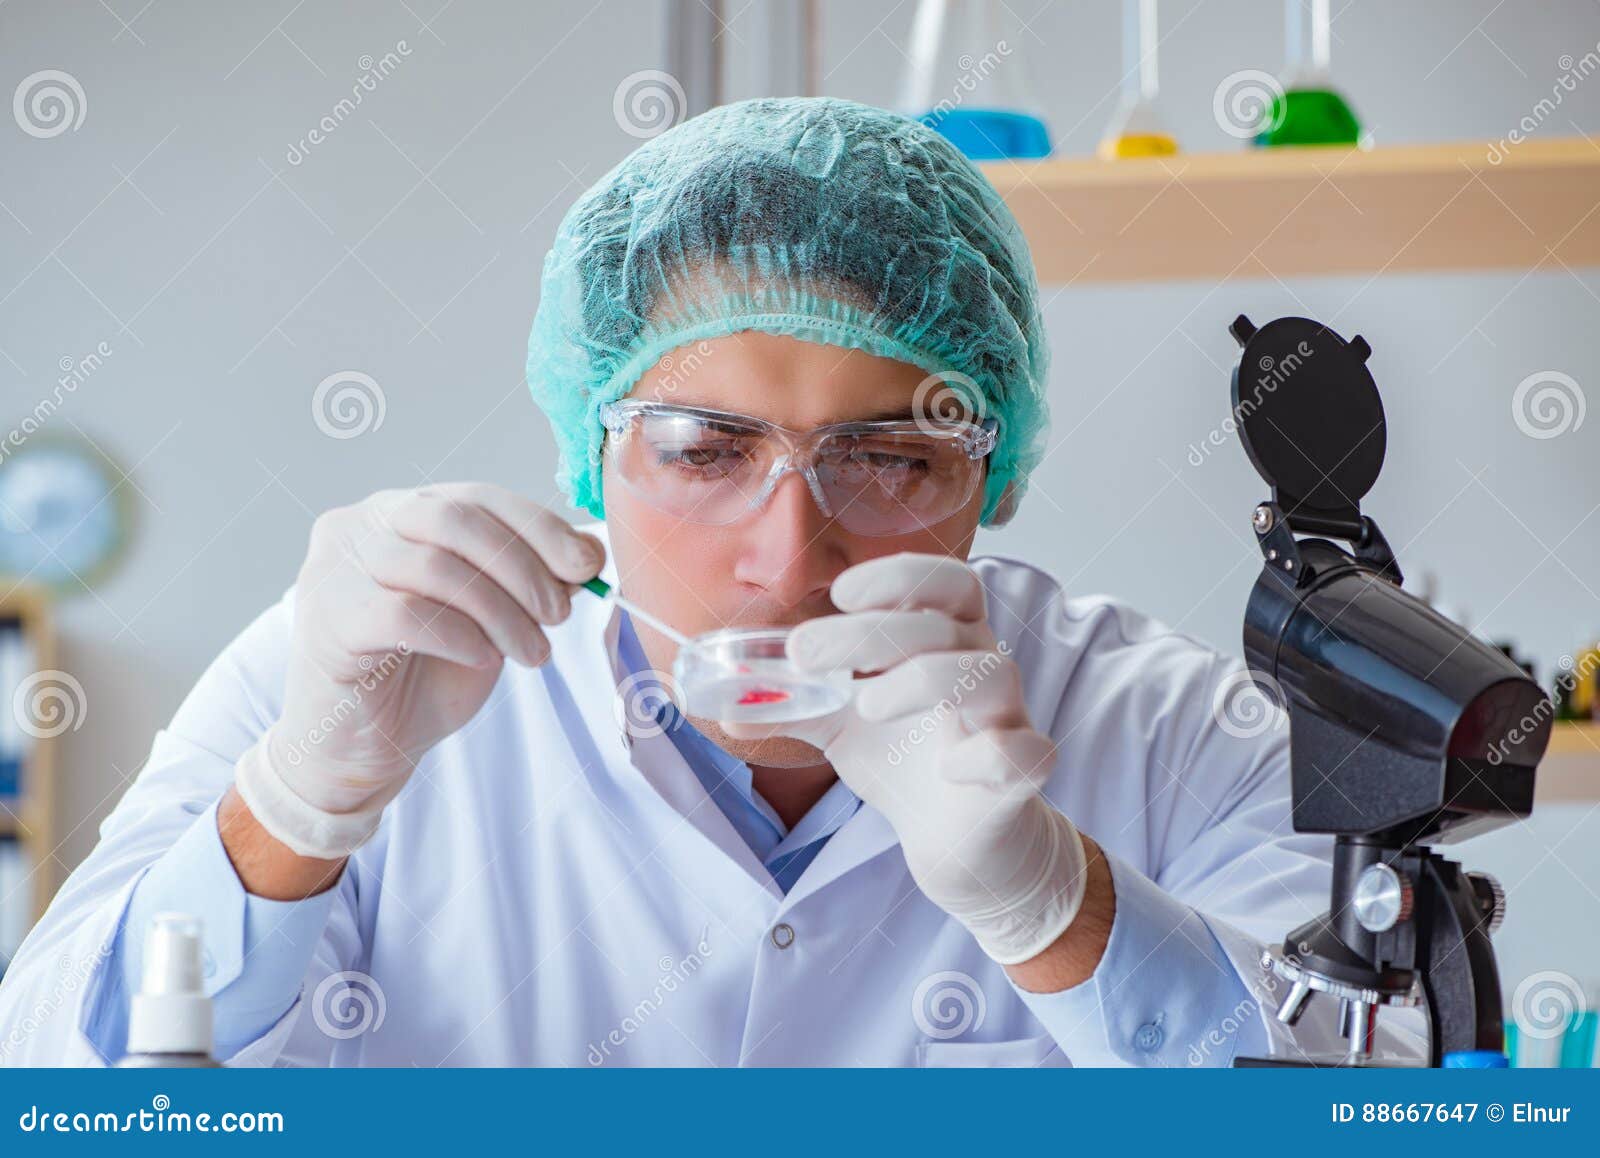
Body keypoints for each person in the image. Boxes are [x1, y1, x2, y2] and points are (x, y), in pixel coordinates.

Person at [0, 97, 1420, 1067]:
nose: (789, 553)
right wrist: (296, 805)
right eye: (701, 448)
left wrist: (1059, 910)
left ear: (993, 475)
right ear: (589, 453)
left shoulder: (1166, 729)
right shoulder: (358, 672)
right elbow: (57, 1078)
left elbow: (1387, 1106)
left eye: (891, 458)